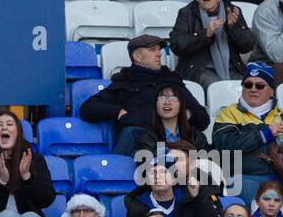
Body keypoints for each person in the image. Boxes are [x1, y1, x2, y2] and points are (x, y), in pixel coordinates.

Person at [79, 34, 209, 158]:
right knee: (131, 133)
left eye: (159, 50)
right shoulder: (125, 81)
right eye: (152, 50)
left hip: (175, 143)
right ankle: (117, 177)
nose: (159, 54)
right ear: (137, 56)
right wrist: (118, 111)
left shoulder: (172, 81)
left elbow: (203, 119)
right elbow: (87, 108)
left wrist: (187, 113)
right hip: (141, 145)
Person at [211, 61, 283, 196]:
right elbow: (223, 146)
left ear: (271, 92)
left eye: (259, 86)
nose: (253, 89)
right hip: (246, 177)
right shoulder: (228, 113)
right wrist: (265, 134)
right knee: (242, 187)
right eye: (248, 84)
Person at [171, 0, 257, 90]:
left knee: (251, 87)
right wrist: (205, 35)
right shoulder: (186, 13)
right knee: (218, 88)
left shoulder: (232, 11)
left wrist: (233, 28)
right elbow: (177, 45)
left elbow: (247, 46)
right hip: (200, 71)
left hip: (231, 69)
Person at [133, 84, 213, 158]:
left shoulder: (196, 136)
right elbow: (146, 166)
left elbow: (208, 166)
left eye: (173, 98)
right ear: (155, 105)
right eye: (162, 97)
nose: (167, 102)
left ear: (181, 105)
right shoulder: (148, 137)